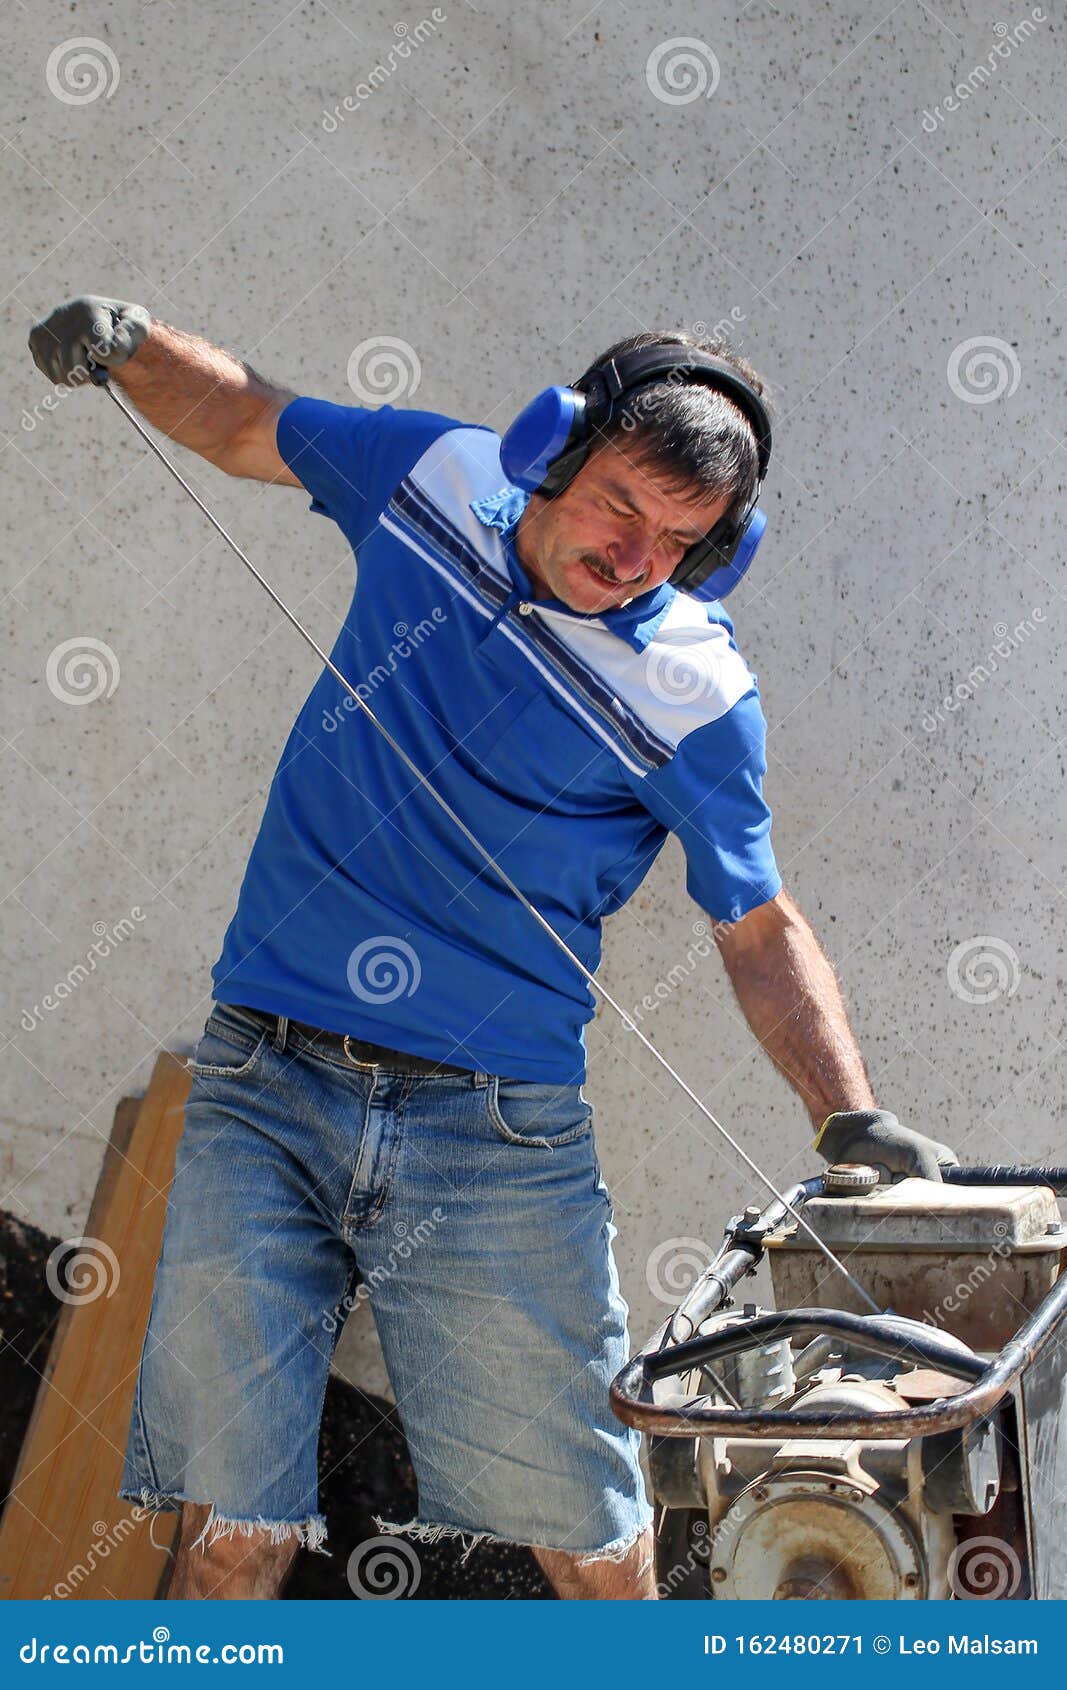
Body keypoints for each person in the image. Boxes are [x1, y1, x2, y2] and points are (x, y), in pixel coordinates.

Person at [28, 300, 958, 1601]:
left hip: (492, 1131)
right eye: (624, 508)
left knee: (587, 1536)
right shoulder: (436, 478)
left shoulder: (693, 689)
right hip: (267, 1086)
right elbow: (249, 416)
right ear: (554, 452)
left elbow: (758, 923)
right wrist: (126, 343)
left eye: (684, 542)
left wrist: (845, 1116)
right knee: (237, 1527)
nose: (640, 556)